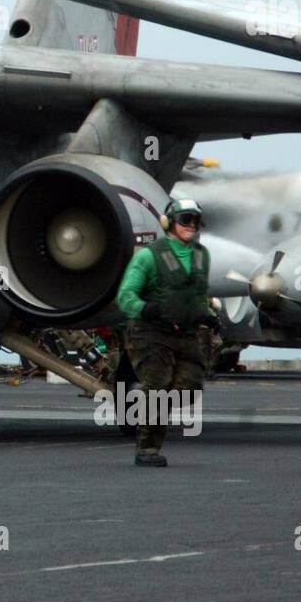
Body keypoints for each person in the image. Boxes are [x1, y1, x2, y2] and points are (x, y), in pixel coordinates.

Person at [115, 197, 218, 466]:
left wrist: (208, 315)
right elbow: (126, 295)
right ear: (169, 223)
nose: (191, 225)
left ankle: (142, 398)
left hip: (186, 334)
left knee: (190, 388)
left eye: (195, 220)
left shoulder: (201, 256)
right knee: (158, 387)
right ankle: (147, 449)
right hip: (150, 332)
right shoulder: (149, 256)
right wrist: (144, 308)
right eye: (185, 219)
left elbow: (197, 294)